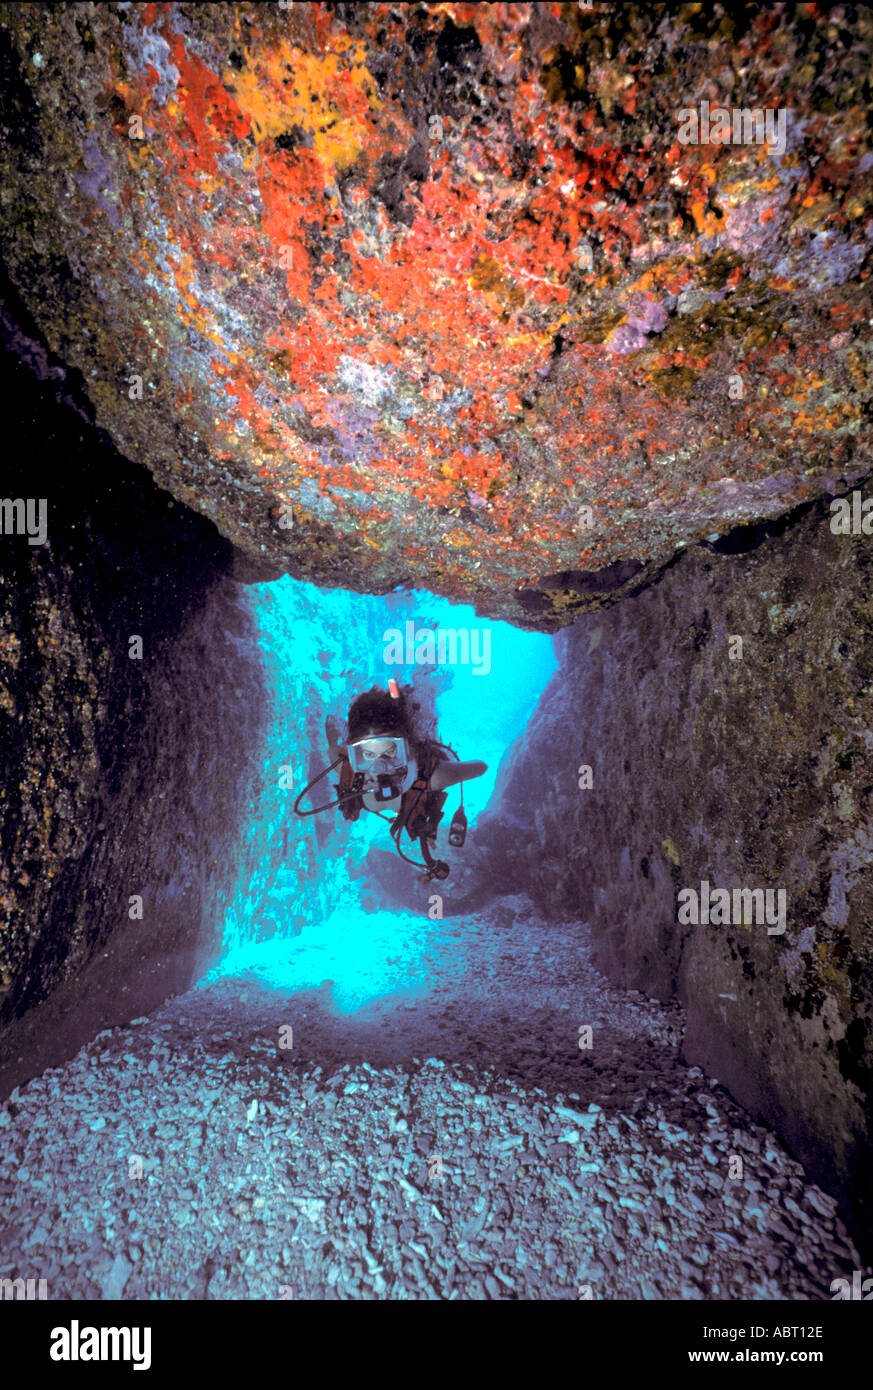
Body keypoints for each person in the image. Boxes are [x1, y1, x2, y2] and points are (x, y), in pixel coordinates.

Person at [295, 679, 486, 880]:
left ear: (407, 748)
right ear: (354, 754)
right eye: (368, 754)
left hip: (416, 736)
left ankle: (424, 686)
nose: (380, 767)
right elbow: (331, 730)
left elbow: (480, 768)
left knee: (423, 712)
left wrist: (453, 772)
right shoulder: (345, 767)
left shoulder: (431, 776)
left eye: (389, 751)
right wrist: (335, 730)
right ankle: (398, 691)